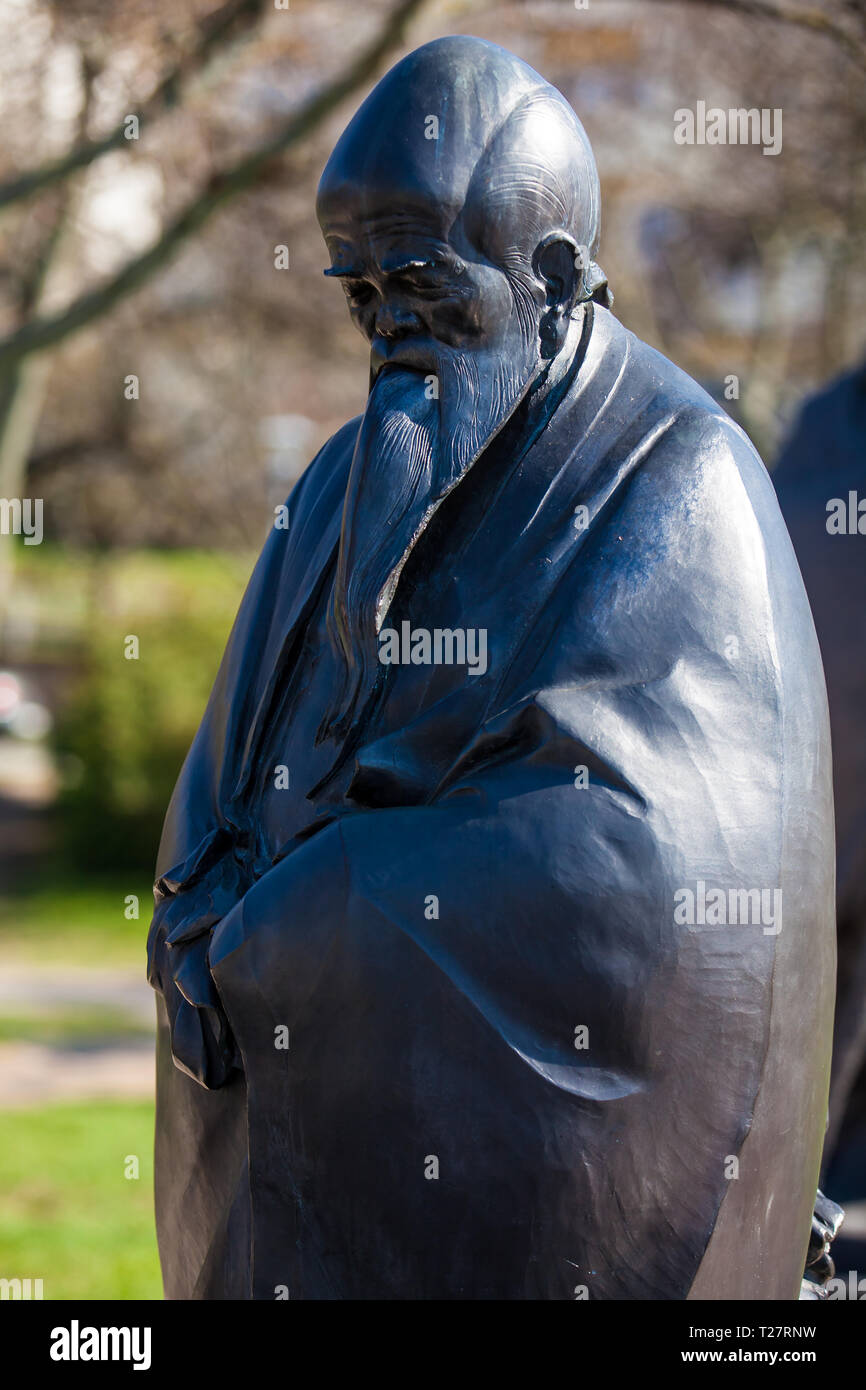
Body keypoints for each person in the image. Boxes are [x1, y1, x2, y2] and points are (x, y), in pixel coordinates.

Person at [148, 35, 834, 1299]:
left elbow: (638, 870)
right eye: (361, 299)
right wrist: (194, 898)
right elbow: (225, 760)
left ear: (557, 275)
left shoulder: (676, 477)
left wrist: (299, 916)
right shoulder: (332, 483)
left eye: (421, 289)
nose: (388, 334)